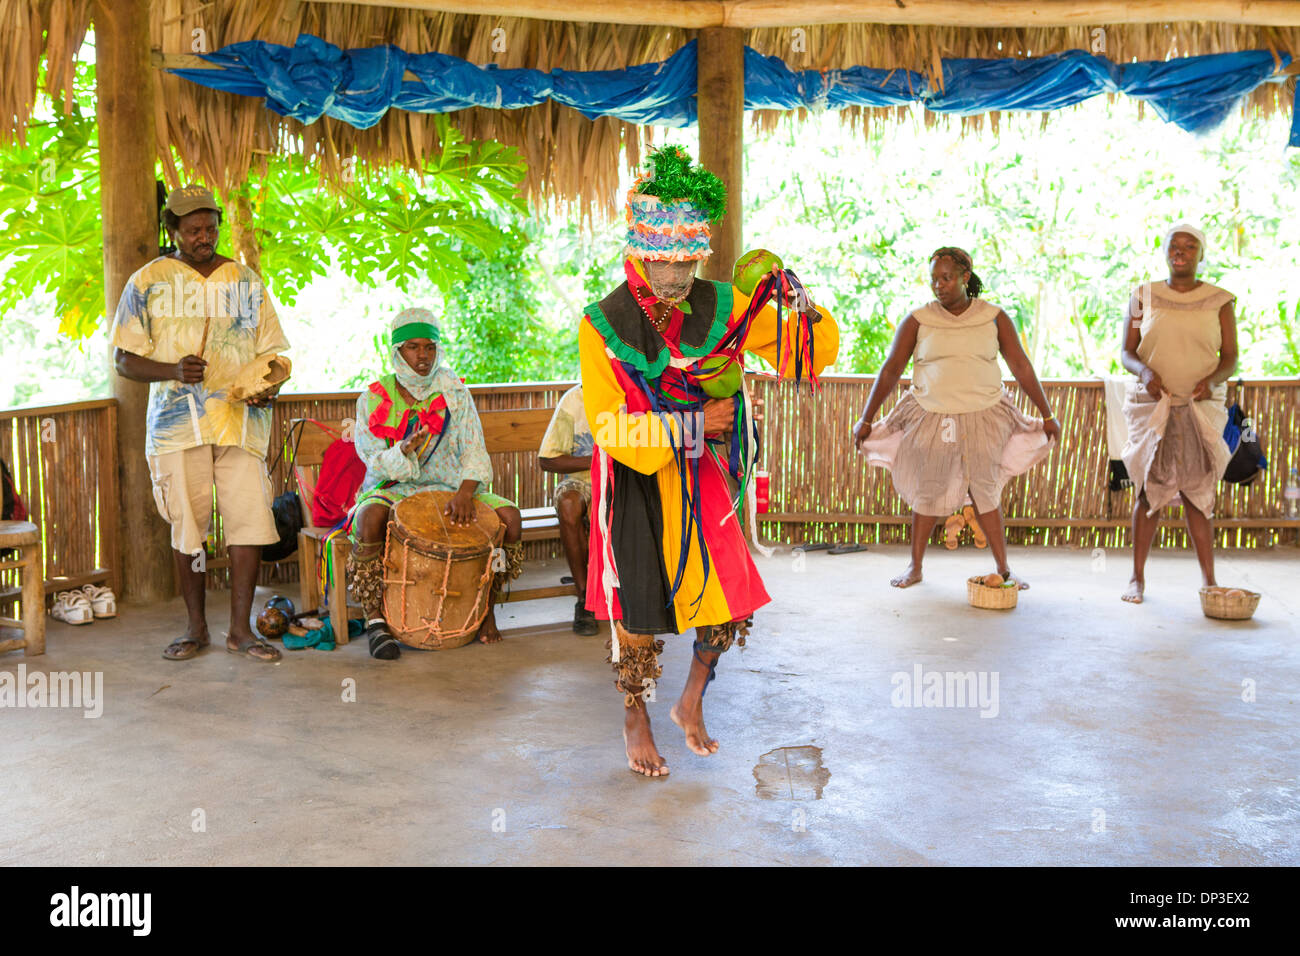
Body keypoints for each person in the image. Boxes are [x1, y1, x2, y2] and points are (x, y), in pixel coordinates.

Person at [580, 144, 839, 777]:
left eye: (687, 260)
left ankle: (691, 701)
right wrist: (695, 422)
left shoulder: (722, 305)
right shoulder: (601, 322)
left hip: (705, 479)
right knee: (637, 609)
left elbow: (808, 350)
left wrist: (791, 297)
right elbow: (610, 426)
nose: (675, 275)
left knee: (729, 599)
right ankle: (635, 714)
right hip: (637, 480)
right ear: (640, 251)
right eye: (663, 261)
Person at [112, 184, 289, 663]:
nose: (204, 237)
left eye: (210, 228)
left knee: (249, 522)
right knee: (188, 527)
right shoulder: (148, 280)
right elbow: (124, 361)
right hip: (177, 427)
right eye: (193, 230)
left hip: (240, 421)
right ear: (172, 230)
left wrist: (269, 385)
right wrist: (172, 370)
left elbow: (272, 353)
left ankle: (241, 631)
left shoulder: (245, 280)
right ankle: (196, 628)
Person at [853, 247, 1060, 588]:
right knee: (929, 489)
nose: (939, 285)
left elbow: (1020, 365)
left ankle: (1004, 568)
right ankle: (915, 567)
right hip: (933, 417)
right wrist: (866, 417)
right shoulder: (919, 319)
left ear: (966, 278)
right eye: (934, 279)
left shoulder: (994, 317)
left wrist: (1046, 412)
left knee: (985, 490)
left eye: (946, 278)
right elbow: (891, 369)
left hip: (984, 416)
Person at [346, 308, 523, 659]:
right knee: (368, 519)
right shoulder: (374, 398)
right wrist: (404, 449)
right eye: (412, 347)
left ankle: (486, 610)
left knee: (511, 519)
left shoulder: (454, 392)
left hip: (453, 486)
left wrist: (466, 492)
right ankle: (376, 620)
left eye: (429, 347)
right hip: (395, 486)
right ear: (397, 351)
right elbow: (372, 459)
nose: (422, 356)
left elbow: (474, 447)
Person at [1119, 224, 1237, 603]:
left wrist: (1213, 379)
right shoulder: (1142, 296)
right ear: (1165, 251)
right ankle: (1136, 579)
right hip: (1155, 406)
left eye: (1190, 247)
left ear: (1201, 255)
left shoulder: (1220, 300)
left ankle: (1209, 580)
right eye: (1175, 246)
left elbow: (1230, 357)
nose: (1181, 252)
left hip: (1200, 407)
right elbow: (1127, 352)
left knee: (1198, 493)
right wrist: (1146, 373)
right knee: (1149, 492)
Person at [538, 385, 599, 636]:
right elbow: (547, 460)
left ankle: (631, 593)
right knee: (569, 503)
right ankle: (584, 598)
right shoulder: (575, 399)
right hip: (581, 478)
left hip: (622, 479)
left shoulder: (630, 393)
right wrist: (598, 459)